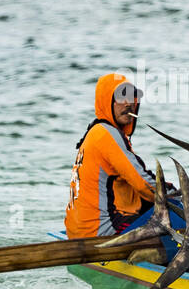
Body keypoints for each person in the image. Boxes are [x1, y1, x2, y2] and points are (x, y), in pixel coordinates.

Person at [64, 73, 157, 238]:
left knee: (155, 203)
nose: (128, 103)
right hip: (100, 233)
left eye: (131, 97)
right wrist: (180, 197)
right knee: (172, 215)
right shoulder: (107, 135)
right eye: (121, 97)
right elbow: (143, 183)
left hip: (78, 231)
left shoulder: (95, 132)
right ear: (106, 101)